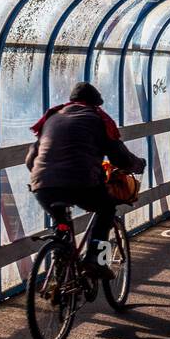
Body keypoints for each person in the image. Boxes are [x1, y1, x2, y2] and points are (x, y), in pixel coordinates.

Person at [25, 82, 146, 279]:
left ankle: (60, 271)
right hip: (81, 183)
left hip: (43, 186)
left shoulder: (52, 117)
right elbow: (120, 158)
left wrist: (46, 177)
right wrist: (138, 165)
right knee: (106, 209)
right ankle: (96, 261)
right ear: (95, 104)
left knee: (61, 224)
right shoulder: (98, 119)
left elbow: (31, 159)